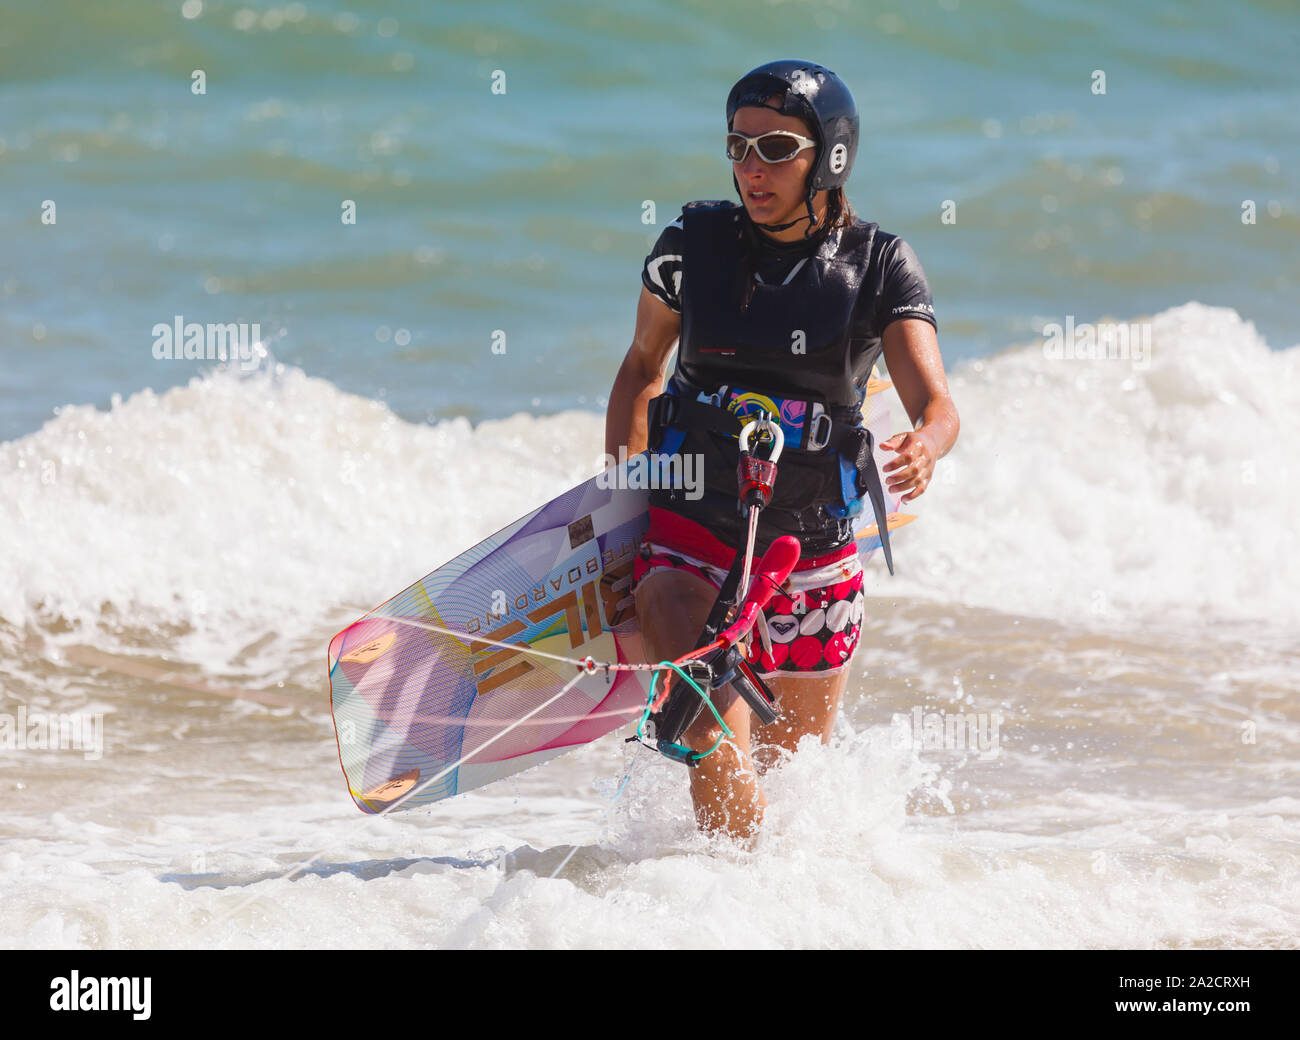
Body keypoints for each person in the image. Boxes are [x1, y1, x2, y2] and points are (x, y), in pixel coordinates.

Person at [604, 60, 959, 841]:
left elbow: (937, 406)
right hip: (691, 523)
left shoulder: (879, 265)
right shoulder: (691, 245)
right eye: (738, 145)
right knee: (702, 727)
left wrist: (927, 445)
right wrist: (621, 508)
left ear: (829, 156)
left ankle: (772, 913)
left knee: (788, 781)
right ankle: (730, 899)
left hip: (811, 547)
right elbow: (639, 370)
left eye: (775, 149)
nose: (749, 167)